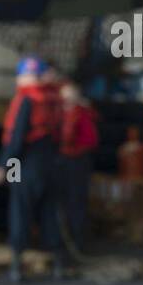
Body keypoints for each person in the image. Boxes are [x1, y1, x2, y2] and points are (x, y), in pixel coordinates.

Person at [0, 56, 62, 281]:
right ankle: (57, 262)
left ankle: (17, 264)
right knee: (50, 212)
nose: (19, 79)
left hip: (24, 163)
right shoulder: (52, 98)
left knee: (20, 209)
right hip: (49, 162)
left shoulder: (27, 99)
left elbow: (17, 138)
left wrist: (2, 167)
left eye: (22, 74)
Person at [57, 81, 99, 263]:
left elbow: (91, 140)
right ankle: (61, 245)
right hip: (59, 163)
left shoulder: (83, 115)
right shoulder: (56, 114)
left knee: (76, 204)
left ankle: (78, 243)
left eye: (70, 94)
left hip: (77, 163)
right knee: (61, 204)